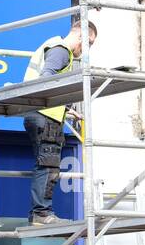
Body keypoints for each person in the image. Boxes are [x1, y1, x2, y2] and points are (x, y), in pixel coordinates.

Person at [23, 18, 98, 226]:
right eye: (89, 43)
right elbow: (47, 78)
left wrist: (66, 109)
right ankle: (41, 213)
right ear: (81, 34)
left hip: (39, 112)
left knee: (45, 163)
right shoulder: (61, 50)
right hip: (44, 115)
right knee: (47, 165)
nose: (86, 50)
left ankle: (40, 212)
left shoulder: (53, 46)